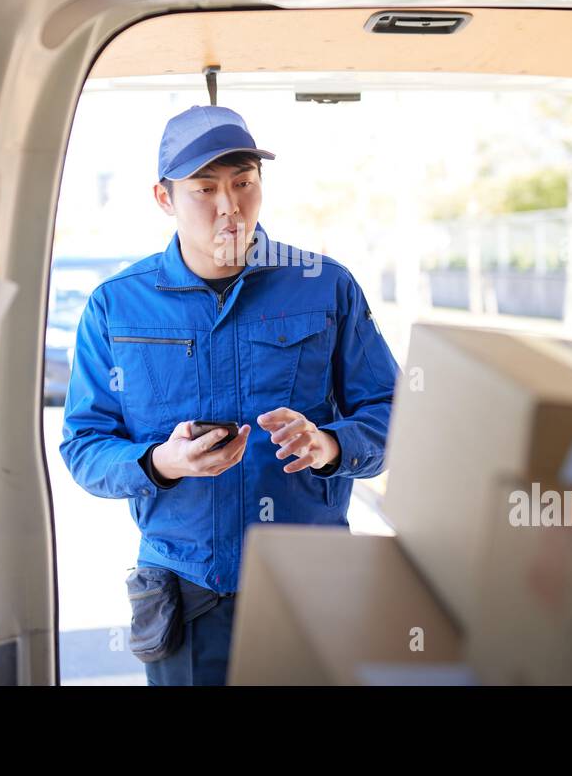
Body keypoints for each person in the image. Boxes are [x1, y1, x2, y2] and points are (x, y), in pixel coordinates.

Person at [60, 104, 400, 685]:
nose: (229, 206)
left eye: (244, 183)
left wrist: (331, 446)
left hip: (308, 584)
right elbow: (84, 447)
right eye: (204, 188)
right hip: (186, 592)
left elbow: (393, 415)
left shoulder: (326, 287)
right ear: (164, 198)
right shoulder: (116, 306)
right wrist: (161, 462)